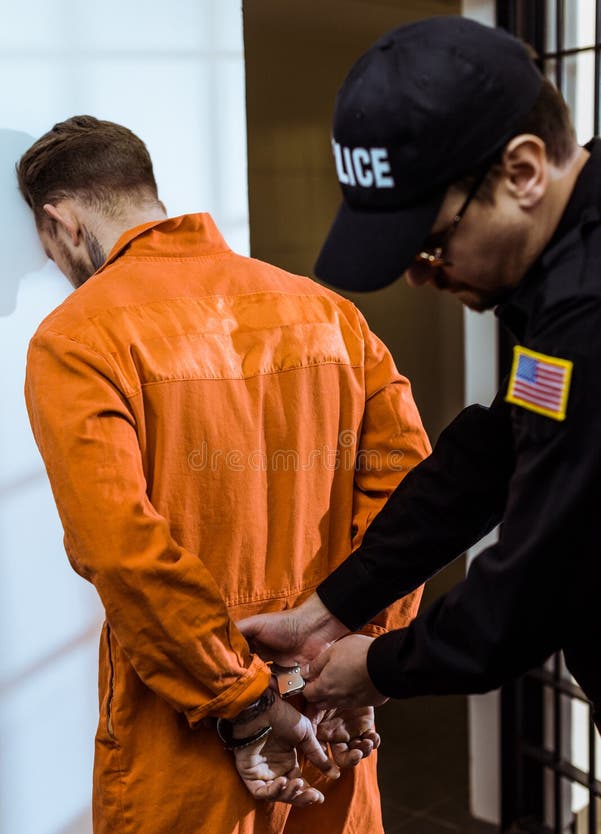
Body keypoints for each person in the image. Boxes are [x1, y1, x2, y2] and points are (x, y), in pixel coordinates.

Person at [18, 115, 430, 834]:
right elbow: (408, 489)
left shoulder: (78, 338)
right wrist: (358, 651)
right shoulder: (324, 312)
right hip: (327, 703)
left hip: (189, 723)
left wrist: (242, 705)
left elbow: (122, 548)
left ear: (60, 221)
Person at [238, 15, 601, 731]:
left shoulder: (587, 312)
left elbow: (541, 572)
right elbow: (501, 447)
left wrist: (379, 668)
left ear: (522, 170)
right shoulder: (563, 258)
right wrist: (331, 608)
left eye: (431, 246)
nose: (418, 277)